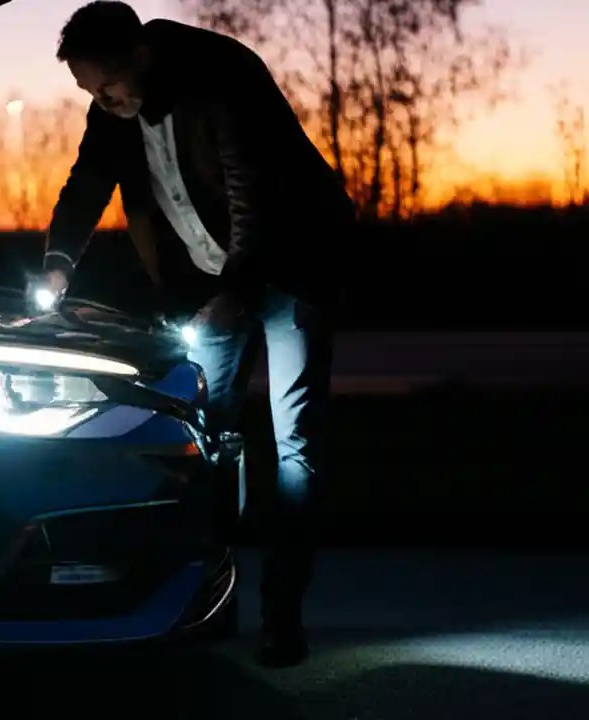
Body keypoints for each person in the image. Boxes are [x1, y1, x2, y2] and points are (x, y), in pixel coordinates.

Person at [30, 1, 356, 667]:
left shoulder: (222, 79)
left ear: (140, 56)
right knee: (206, 439)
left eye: (107, 88)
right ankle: (210, 598)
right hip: (209, 282)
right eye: (90, 93)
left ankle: (282, 617)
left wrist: (235, 293)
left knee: (294, 441)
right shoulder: (113, 106)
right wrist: (59, 262)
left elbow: (255, 195)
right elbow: (87, 181)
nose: (102, 102)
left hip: (293, 265)